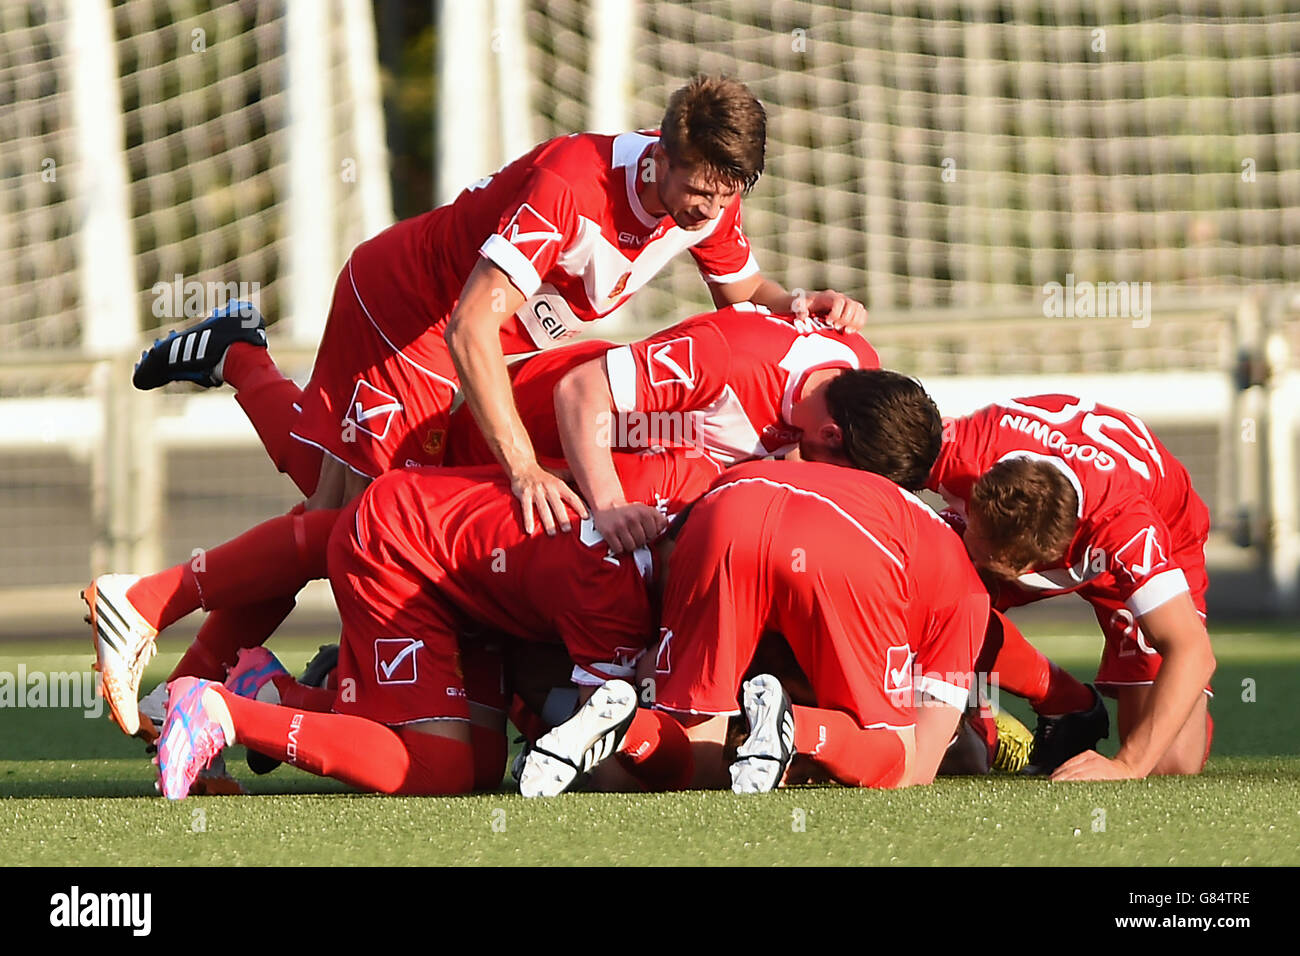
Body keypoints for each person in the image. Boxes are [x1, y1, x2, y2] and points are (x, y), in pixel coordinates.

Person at [926, 394, 1216, 779]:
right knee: (934, 587)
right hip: (1059, 506)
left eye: (984, 557)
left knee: (1168, 765)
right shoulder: (962, 446)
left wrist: (1128, 765)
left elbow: (1192, 650)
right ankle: (1056, 703)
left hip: (1166, 535)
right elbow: (870, 428)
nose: (971, 556)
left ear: (1033, 563)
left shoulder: (1128, 530)